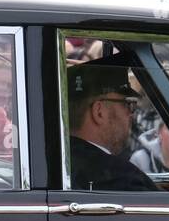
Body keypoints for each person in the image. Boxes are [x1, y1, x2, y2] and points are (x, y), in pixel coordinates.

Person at [65, 57, 157, 191]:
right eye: (127, 104)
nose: (131, 114)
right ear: (99, 112)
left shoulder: (54, 161)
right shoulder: (120, 177)